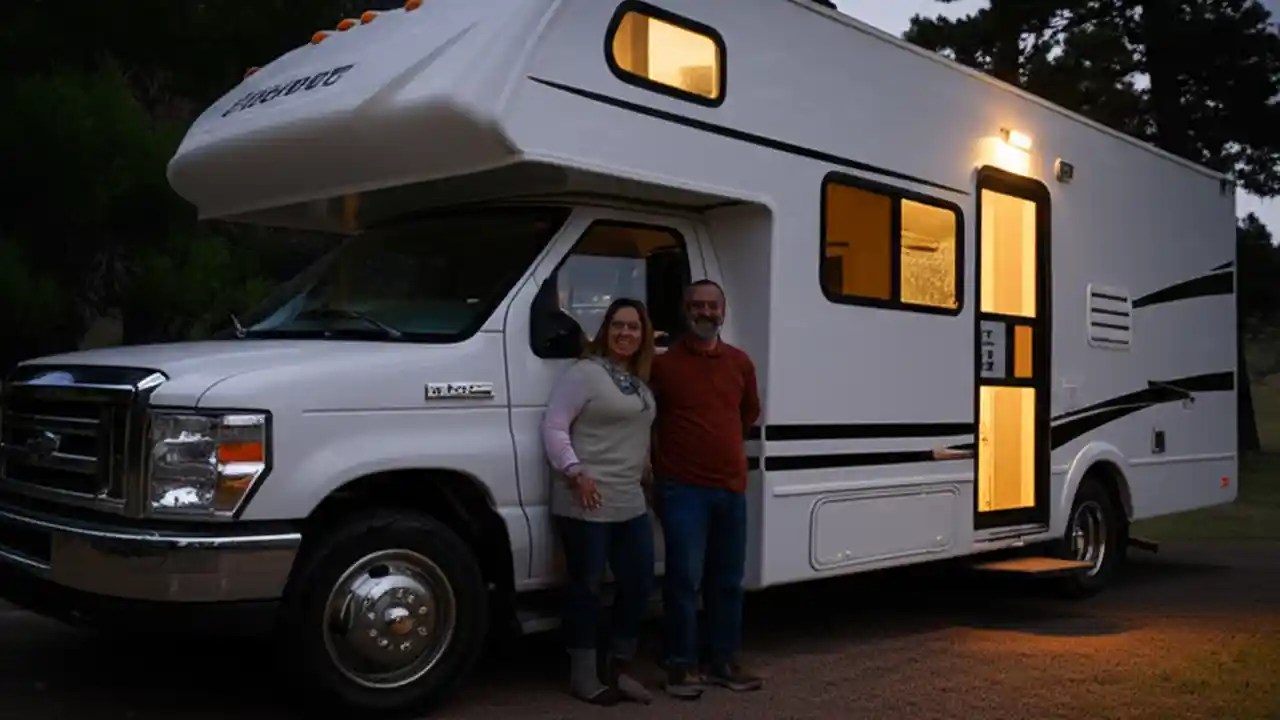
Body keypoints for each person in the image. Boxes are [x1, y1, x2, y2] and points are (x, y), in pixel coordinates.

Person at [649, 278, 763, 699]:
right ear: (685, 310)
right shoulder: (663, 365)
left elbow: (747, 413)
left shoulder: (739, 363)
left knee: (728, 582)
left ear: (723, 311)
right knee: (683, 581)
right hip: (682, 490)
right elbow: (649, 419)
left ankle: (723, 663)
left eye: (712, 305)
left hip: (731, 489)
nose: (705, 312)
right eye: (697, 305)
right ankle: (681, 666)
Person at [541, 297, 658, 706]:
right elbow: (555, 426)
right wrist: (575, 471)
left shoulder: (639, 383)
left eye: (634, 327)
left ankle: (620, 667)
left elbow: (636, 436)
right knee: (587, 586)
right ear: (605, 330)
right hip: (585, 496)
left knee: (639, 581)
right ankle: (584, 675)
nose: (625, 333)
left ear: (644, 336)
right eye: (618, 326)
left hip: (628, 497)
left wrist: (647, 473)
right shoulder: (585, 374)